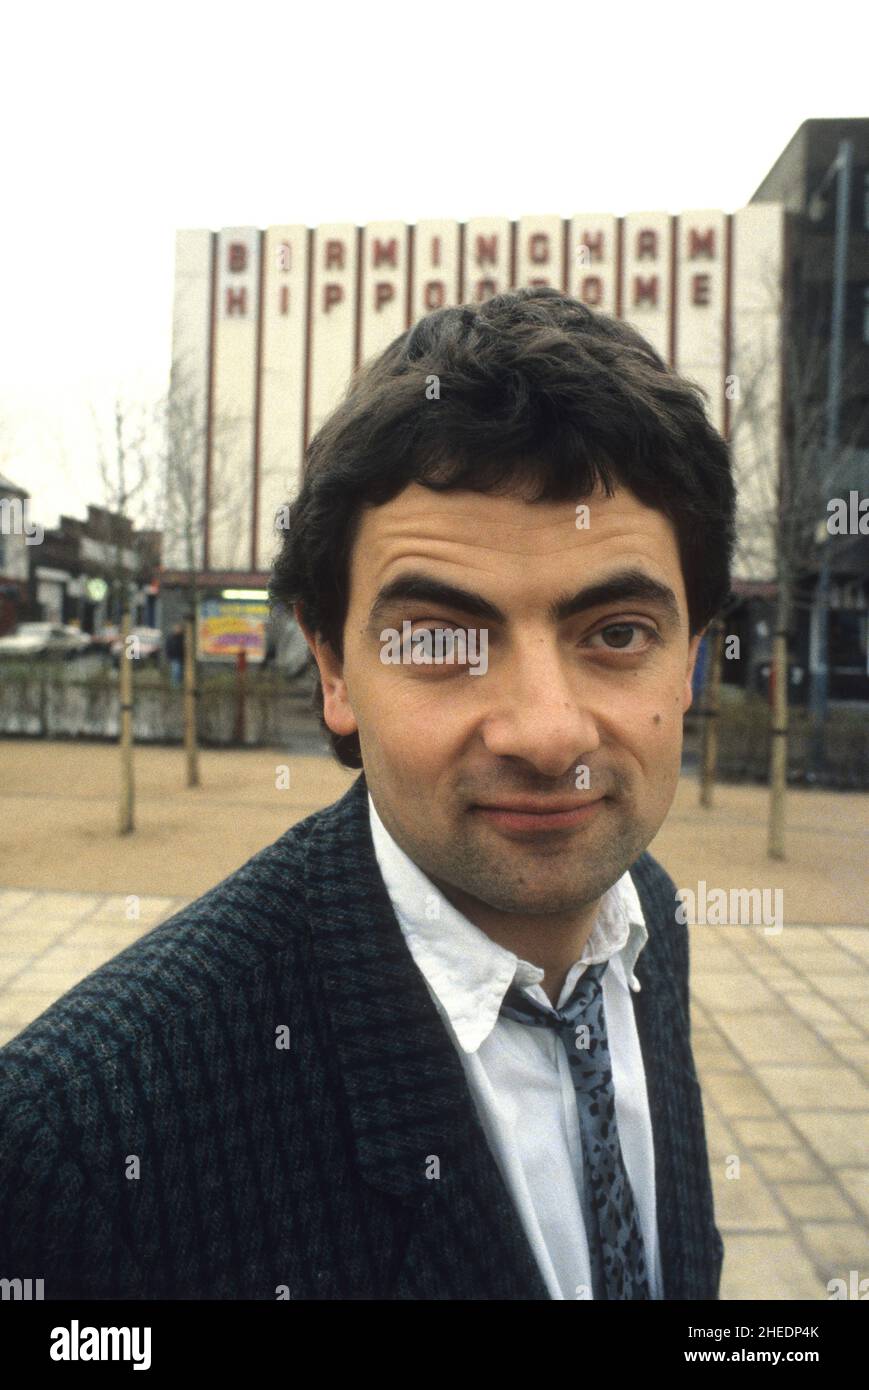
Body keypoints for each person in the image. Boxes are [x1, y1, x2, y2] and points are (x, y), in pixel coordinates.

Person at [0, 288, 729, 1300]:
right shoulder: (78, 1140)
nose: (546, 730)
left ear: (688, 661)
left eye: (615, 633)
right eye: (439, 638)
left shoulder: (645, 910)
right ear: (333, 667)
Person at [166, 621, 184, 688]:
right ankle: (175, 685)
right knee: (176, 670)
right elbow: (168, 647)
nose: (177, 630)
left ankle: (177, 684)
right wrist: (169, 655)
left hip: (181, 656)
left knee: (178, 670)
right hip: (175, 656)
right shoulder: (172, 637)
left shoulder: (182, 637)